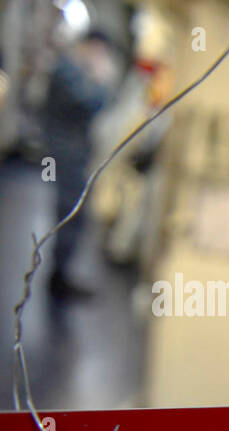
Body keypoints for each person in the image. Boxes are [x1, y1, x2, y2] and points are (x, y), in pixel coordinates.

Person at [41, 28, 118, 298]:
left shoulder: (71, 69)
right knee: (69, 211)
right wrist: (100, 80)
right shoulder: (68, 71)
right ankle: (57, 277)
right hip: (63, 154)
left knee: (72, 211)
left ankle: (60, 271)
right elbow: (88, 103)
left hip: (69, 152)